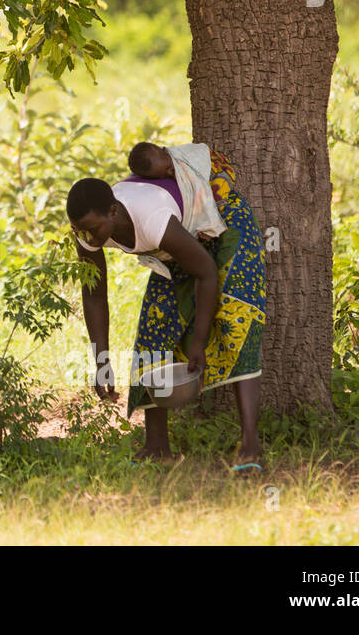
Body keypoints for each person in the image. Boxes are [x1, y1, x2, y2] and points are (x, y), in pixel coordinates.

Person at [67, 146, 265, 473]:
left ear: (113, 212)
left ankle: (250, 445)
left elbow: (206, 272)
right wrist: (101, 361)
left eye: (94, 229)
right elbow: (94, 295)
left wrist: (198, 340)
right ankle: (157, 446)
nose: (89, 237)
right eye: (81, 231)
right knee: (154, 333)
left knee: (237, 319)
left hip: (222, 216)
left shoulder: (151, 219)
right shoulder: (89, 231)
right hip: (176, 243)